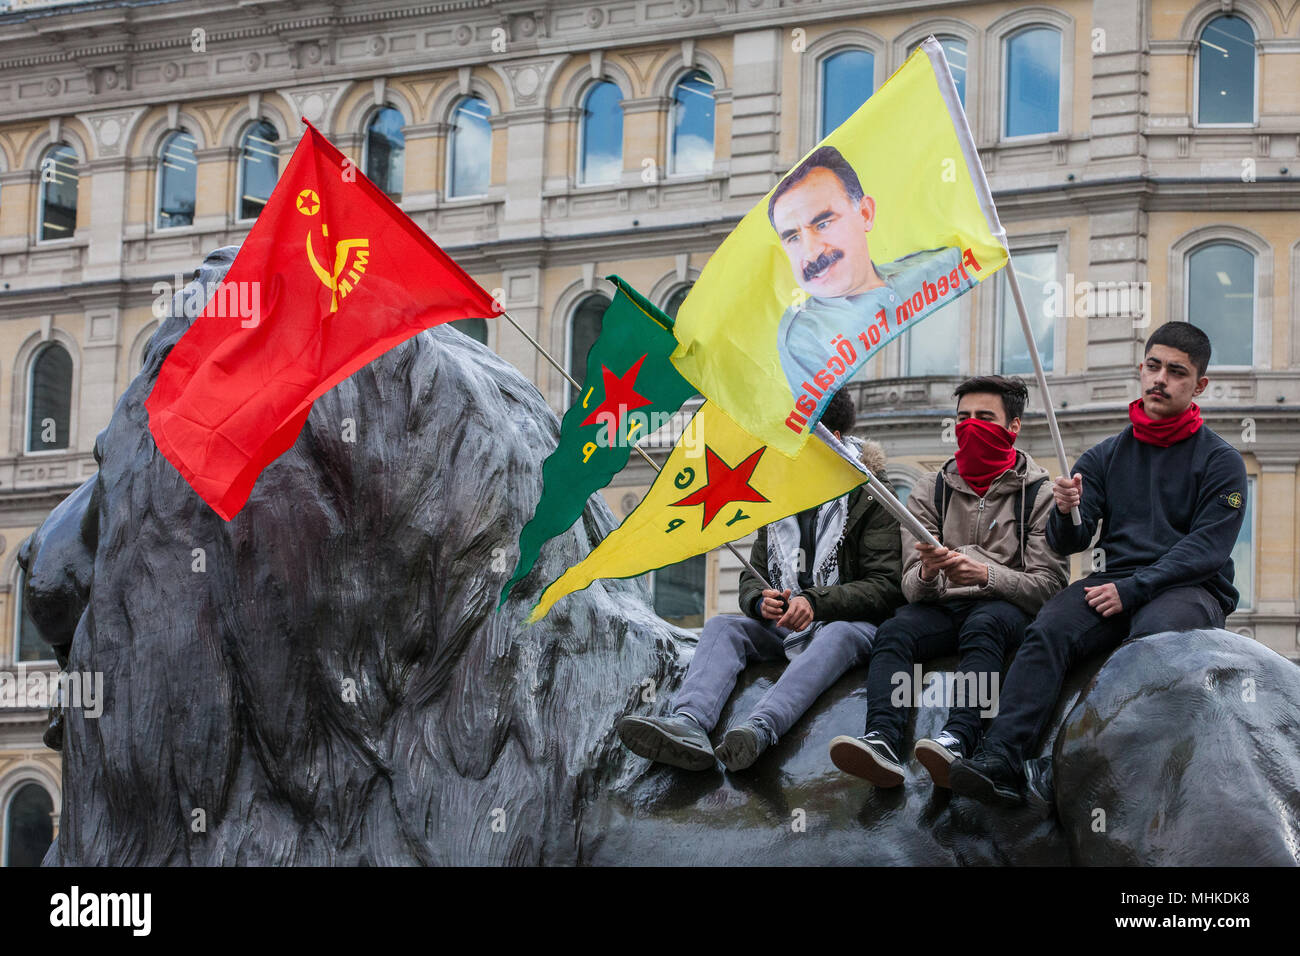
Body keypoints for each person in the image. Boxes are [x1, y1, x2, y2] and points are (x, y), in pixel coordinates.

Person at [949, 322, 1248, 808]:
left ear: (1199, 385)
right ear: (1141, 368)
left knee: (1153, 638)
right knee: (1048, 628)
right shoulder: (1106, 455)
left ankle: (1123, 771)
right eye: (1153, 367)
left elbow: (1206, 551)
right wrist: (1066, 510)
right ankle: (1003, 758)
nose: (1160, 379)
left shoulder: (1221, 461)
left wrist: (1134, 590)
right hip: (1113, 580)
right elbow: (1070, 541)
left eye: (1176, 372)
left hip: (1191, 588)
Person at [617, 390, 904, 772]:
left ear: (832, 438)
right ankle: (688, 723)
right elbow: (752, 577)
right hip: (787, 627)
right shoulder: (779, 494)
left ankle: (760, 729)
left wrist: (817, 603)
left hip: (852, 627)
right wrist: (759, 601)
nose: (786, 449)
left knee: (839, 634)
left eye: (798, 439)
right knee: (723, 626)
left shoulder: (871, 493)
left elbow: (885, 585)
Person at [828, 376, 1068, 788]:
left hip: (1004, 611)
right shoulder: (928, 489)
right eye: (963, 418)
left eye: (984, 417)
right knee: (895, 631)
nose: (970, 426)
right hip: (942, 607)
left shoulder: (1041, 493)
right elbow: (908, 587)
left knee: (985, 624)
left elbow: (1049, 586)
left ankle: (958, 737)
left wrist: (986, 575)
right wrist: (927, 572)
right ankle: (881, 740)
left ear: (1013, 427)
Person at [768, 145, 976, 409]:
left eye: (823, 224)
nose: (811, 252)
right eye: (793, 237)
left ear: (865, 213)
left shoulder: (942, 266)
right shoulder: (800, 337)